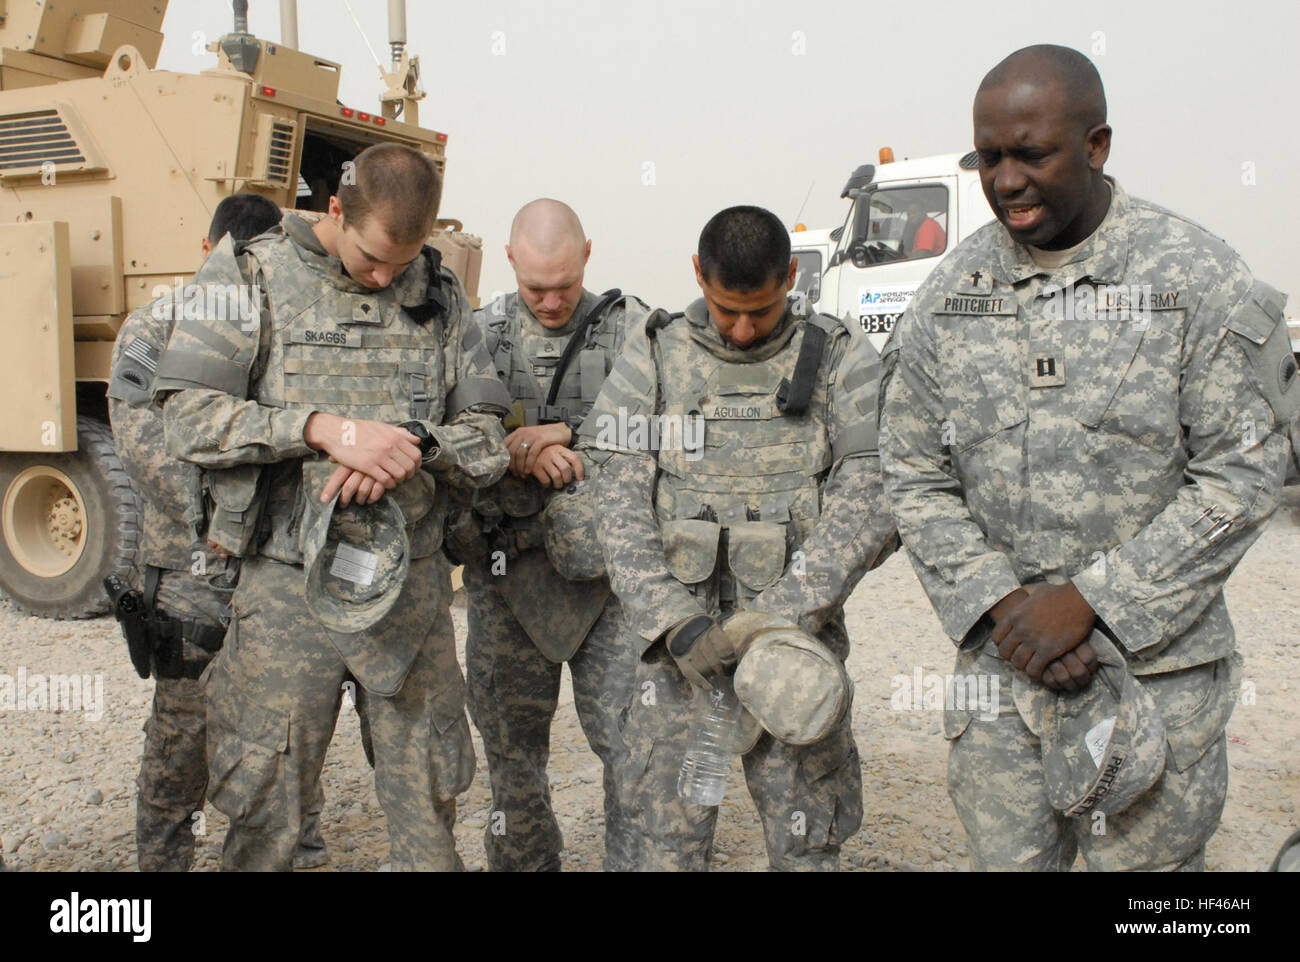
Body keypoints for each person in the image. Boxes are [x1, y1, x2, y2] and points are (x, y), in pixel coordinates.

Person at [879, 45, 1298, 871]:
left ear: (1098, 144)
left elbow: (1241, 475)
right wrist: (1006, 606)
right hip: (1004, 681)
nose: (1005, 180)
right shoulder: (950, 294)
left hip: (1157, 682)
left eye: (1031, 154)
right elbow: (913, 472)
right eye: (988, 157)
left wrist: (1093, 602)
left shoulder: (1194, 280)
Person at [152, 144, 512, 871]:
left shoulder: (437, 290)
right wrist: (321, 429)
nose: (385, 278)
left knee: (428, 810)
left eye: (401, 263)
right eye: (372, 259)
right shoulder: (246, 274)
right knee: (266, 804)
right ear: (336, 210)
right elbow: (187, 417)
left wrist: (414, 443)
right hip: (287, 587)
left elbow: (488, 438)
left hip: (407, 593)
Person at [580, 205, 897, 870]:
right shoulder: (655, 351)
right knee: (662, 847)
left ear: (790, 276)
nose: (745, 329)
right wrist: (672, 619)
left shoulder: (837, 356)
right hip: (679, 662)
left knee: (806, 844)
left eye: (762, 308)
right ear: (698, 274)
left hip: (792, 653)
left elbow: (872, 491)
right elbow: (615, 493)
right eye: (727, 310)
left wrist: (776, 617)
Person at [108, 193, 332, 871]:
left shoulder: (292, 324)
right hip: (192, 576)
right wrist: (220, 525)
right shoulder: (160, 324)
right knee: (182, 732)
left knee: (285, 722)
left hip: (279, 568)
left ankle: (297, 843)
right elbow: (141, 440)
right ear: (212, 256)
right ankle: (164, 861)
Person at [451, 199, 649, 872]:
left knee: (636, 748)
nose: (555, 300)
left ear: (589, 253)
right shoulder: (472, 336)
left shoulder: (635, 334)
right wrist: (512, 450)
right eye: (537, 288)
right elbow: (441, 439)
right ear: (509, 262)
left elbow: (681, 427)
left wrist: (568, 434)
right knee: (510, 754)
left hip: (611, 585)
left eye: (566, 284)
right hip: (507, 579)